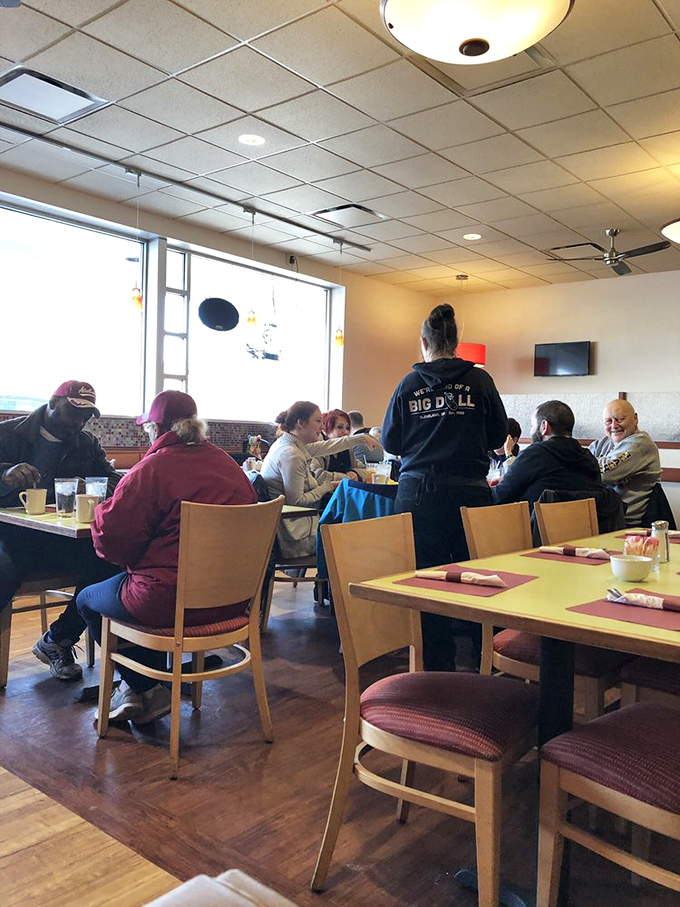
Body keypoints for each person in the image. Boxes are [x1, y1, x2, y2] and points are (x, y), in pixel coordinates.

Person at [76, 390, 257, 724]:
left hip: (168, 602)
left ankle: (145, 687)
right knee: (140, 588)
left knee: (88, 599)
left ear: (156, 430)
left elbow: (112, 544)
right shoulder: (228, 467)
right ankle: (142, 688)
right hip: (232, 601)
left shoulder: (153, 469)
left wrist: (100, 511)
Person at [382, 304, 507, 672]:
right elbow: (499, 436)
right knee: (477, 580)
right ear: (456, 342)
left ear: (424, 342)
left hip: (418, 494)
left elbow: (391, 441)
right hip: (471, 493)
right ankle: (484, 660)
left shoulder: (408, 385)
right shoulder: (480, 381)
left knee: (426, 582)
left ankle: (437, 669)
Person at [0, 380, 120, 681]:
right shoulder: (8, 433)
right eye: (73, 413)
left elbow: (115, 482)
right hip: (11, 534)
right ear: (53, 403)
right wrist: (5, 475)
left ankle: (59, 639)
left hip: (60, 537)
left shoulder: (87, 443)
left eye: (85, 417)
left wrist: (96, 488)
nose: (79, 423)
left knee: (111, 558)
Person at [261, 401, 380, 558]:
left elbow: (329, 446)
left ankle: (331, 580)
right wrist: (328, 486)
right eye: (318, 421)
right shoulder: (292, 455)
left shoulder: (288, 445)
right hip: (294, 536)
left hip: (291, 526)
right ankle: (340, 579)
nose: (322, 426)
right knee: (356, 533)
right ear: (301, 423)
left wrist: (362, 438)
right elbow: (297, 501)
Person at [492, 400, 603, 507]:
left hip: (536, 525)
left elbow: (500, 496)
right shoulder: (589, 458)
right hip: (586, 525)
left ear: (544, 426)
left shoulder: (535, 454)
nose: (531, 432)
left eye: (532, 425)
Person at [589, 399, 661, 527]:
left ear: (635, 419)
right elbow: (579, 463)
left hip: (627, 525)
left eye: (620, 419)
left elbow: (602, 474)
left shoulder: (640, 444)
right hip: (604, 518)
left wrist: (593, 464)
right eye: (608, 421)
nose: (614, 426)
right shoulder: (603, 443)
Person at [312, 409, 366, 483]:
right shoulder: (316, 448)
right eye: (340, 427)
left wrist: (355, 472)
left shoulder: (347, 449)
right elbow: (316, 475)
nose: (346, 432)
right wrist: (346, 477)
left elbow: (364, 469)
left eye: (347, 428)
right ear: (325, 430)